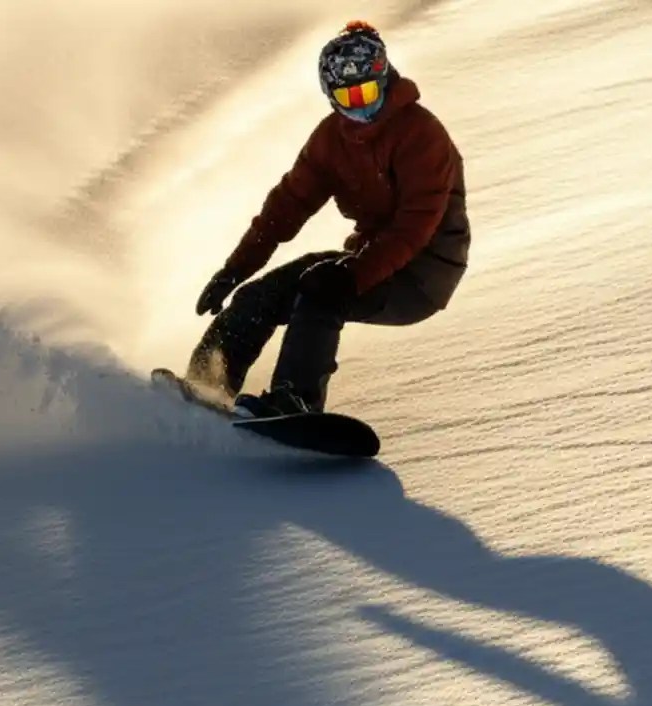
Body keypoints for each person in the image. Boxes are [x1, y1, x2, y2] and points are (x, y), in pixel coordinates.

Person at [184, 20, 470, 418]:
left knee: (322, 288)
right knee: (263, 294)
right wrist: (236, 270)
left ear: (385, 80)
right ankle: (205, 385)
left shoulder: (421, 135)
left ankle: (296, 401)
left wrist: (354, 274)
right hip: (372, 261)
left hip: (424, 274)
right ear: (330, 97)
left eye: (368, 93)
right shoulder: (331, 140)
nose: (361, 107)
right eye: (347, 97)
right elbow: (287, 205)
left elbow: (415, 225)